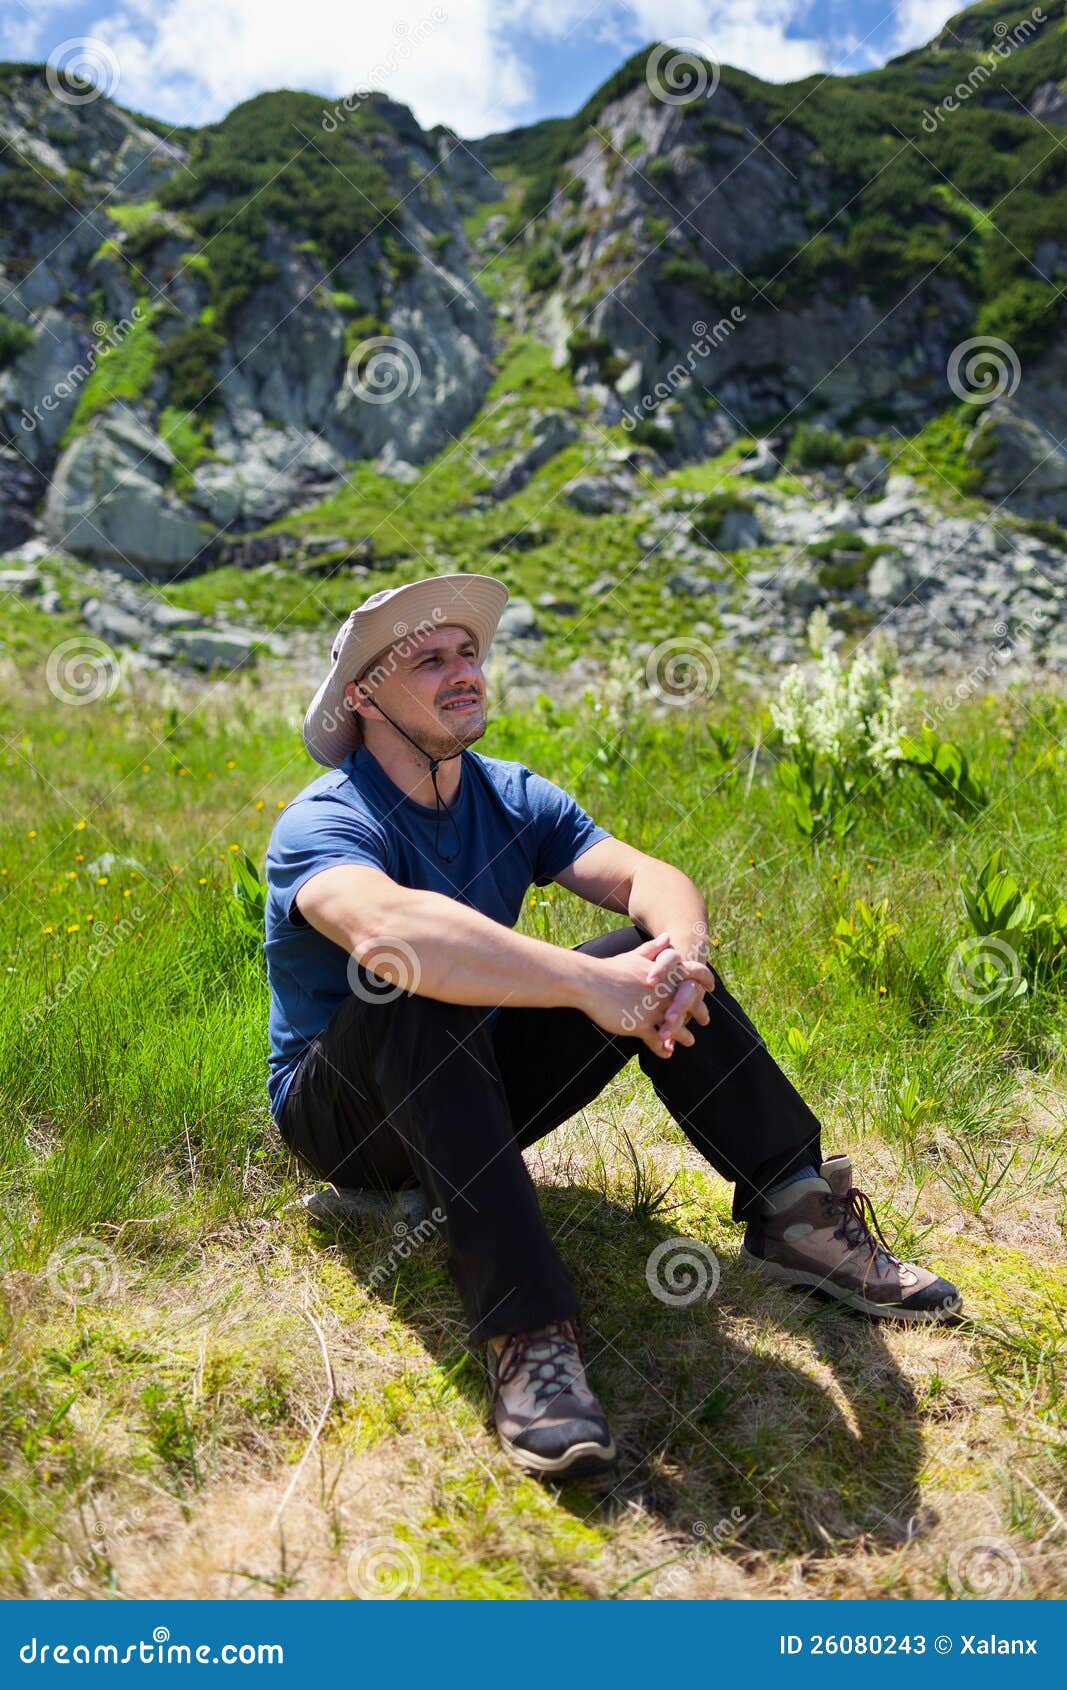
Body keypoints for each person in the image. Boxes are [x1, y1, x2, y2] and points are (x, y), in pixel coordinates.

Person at [264, 572, 962, 1481]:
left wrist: (677, 960)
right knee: (415, 982)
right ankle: (527, 1338)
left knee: (647, 948)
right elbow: (393, 932)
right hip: (349, 1116)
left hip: (467, 1086)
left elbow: (648, 879)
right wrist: (589, 986)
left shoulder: (508, 795)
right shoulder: (325, 818)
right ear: (364, 697)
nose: (462, 672)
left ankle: (791, 1208)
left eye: (468, 653)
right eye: (428, 660)